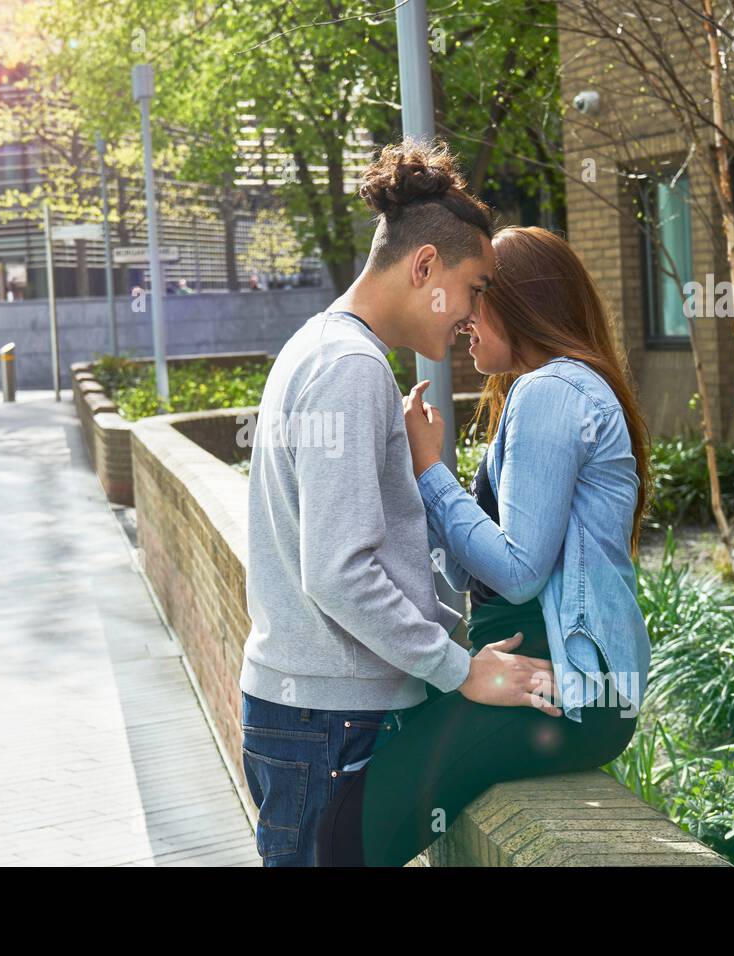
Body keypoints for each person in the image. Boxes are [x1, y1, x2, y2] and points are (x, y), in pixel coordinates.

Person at [313, 226, 653, 866]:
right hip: (544, 676)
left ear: (523, 302)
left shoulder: (551, 391)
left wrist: (428, 470)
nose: (464, 316)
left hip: (562, 687)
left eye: (478, 294)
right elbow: (481, 559)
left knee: (350, 837)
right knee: (359, 806)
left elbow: (518, 571)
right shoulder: (551, 389)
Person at [239, 137, 523, 867]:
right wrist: (460, 668)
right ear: (425, 266)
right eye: (476, 288)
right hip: (329, 723)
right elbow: (336, 570)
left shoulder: (320, 349)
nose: (472, 316)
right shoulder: (350, 368)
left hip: (309, 717)